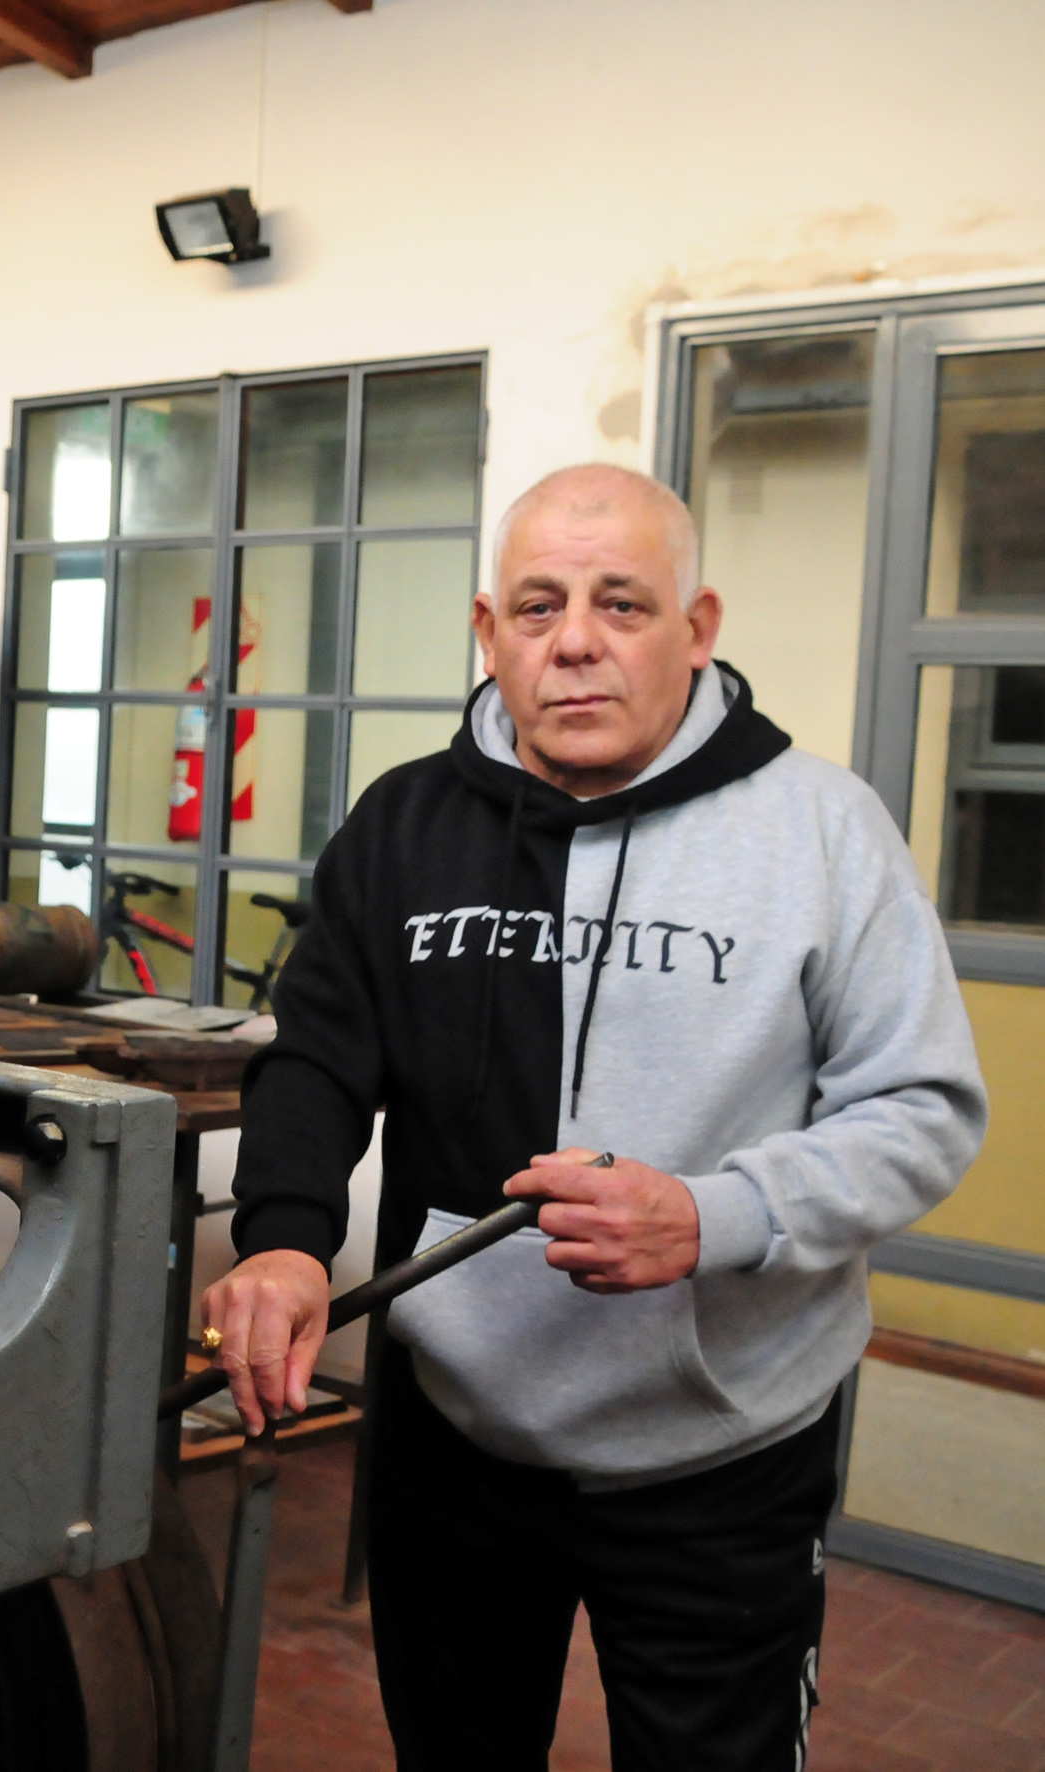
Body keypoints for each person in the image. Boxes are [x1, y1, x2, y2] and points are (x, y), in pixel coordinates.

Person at [200, 463, 986, 1768]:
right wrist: (282, 1235)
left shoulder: (822, 831)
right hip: (450, 1436)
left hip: (722, 1447)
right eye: (536, 605)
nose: (573, 641)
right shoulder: (400, 823)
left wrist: (716, 1212)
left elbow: (919, 1107)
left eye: (620, 604)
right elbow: (314, 1063)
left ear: (697, 624)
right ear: (487, 630)